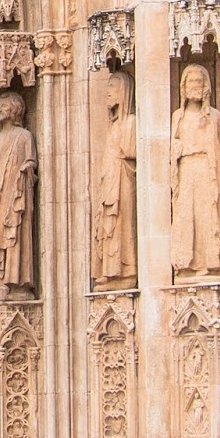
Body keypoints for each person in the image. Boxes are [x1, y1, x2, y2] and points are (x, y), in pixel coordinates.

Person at [169, 63, 220, 277]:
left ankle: (209, 263)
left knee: (207, 215)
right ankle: (186, 264)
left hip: (207, 169)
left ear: (206, 85)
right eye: (191, 81)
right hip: (186, 169)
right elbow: (172, 143)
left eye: (199, 81)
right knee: (186, 215)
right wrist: (176, 148)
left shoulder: (213, 115)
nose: (195, 85)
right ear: (184, 86)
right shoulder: (178, 116)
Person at [0, 92, 36, 294]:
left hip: (14, 193)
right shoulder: (0, 138)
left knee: (13, 236)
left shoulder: (24, 136)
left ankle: (13, 282)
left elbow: (31, 161)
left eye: (3, 106)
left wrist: (26, 168)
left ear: (14, 110)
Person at [92, 71, 137, 283]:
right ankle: (110, 271)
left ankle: (126, 270)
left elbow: (131, 153)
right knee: (109, 222)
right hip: (109, 181)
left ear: (123, 92)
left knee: (122, 223)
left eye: (112, 87)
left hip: (122, 181)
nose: (107, 92)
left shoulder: (130, 122)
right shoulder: (114, 124)